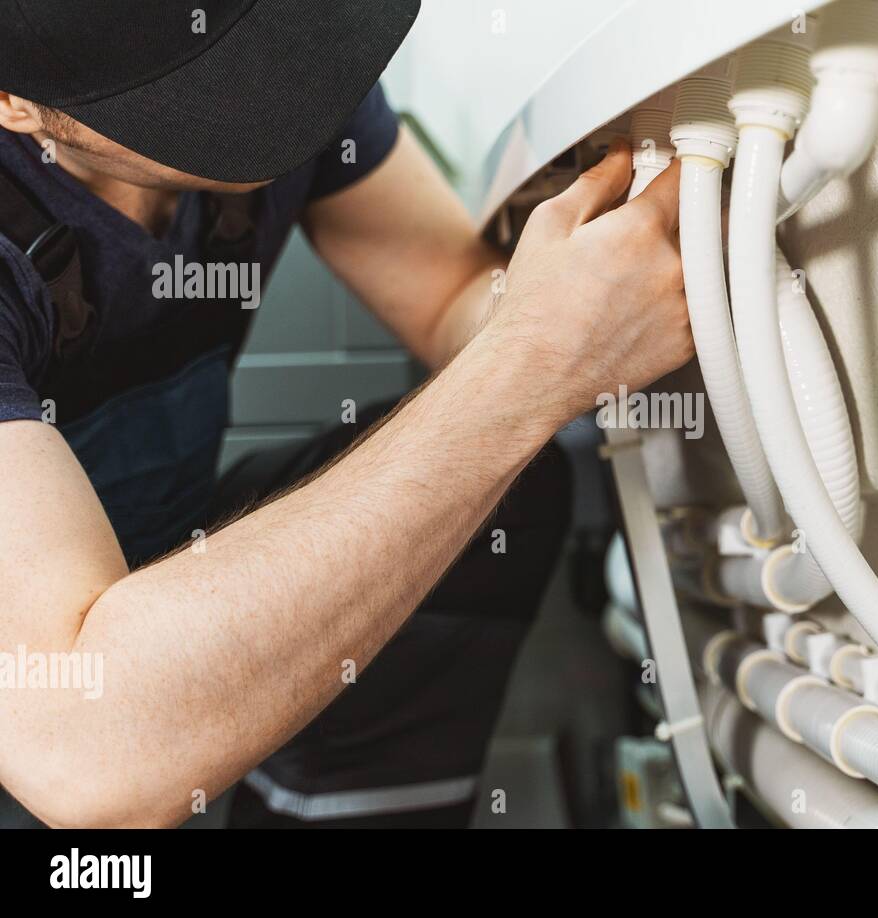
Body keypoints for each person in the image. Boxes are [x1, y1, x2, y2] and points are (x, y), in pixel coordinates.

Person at [0, 0, 691, 827]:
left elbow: (449, 304)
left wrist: (573, 278)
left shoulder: (281, 68)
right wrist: (535, 366)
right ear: (13, 103)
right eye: (202, 87)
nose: (277, 96)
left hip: (153, 558)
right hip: (37, 678)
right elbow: (86, 751)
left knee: (506, 490)